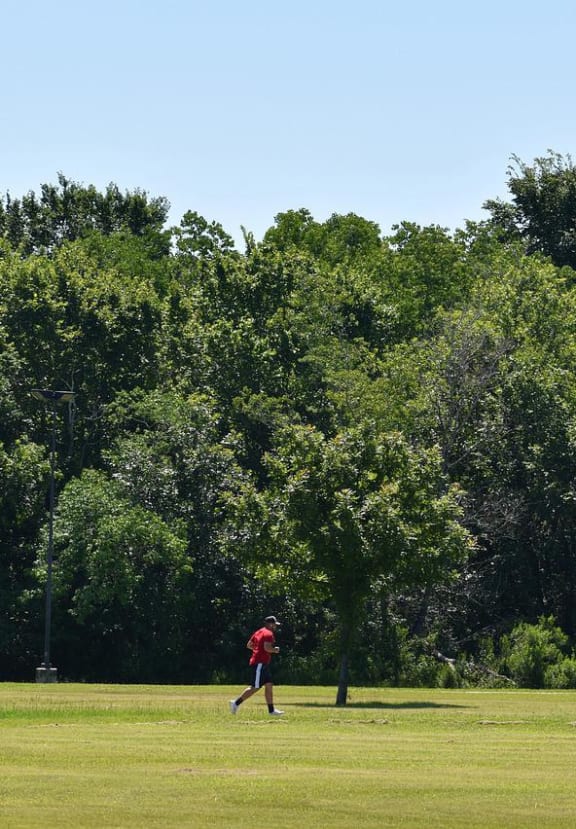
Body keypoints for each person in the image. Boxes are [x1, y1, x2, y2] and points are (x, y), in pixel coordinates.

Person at [229, 615, 284, 716]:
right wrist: (275, 650)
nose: (275, 626)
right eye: (274, 624)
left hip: (262, 663)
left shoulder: (259, 631)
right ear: (270, 624)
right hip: (260, 663)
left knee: (269, 685)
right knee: (255, 687)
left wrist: (258, 649)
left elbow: (249, 645)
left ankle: (271, 710)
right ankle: (235, 703)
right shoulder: (268, 634)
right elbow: (267, 648)